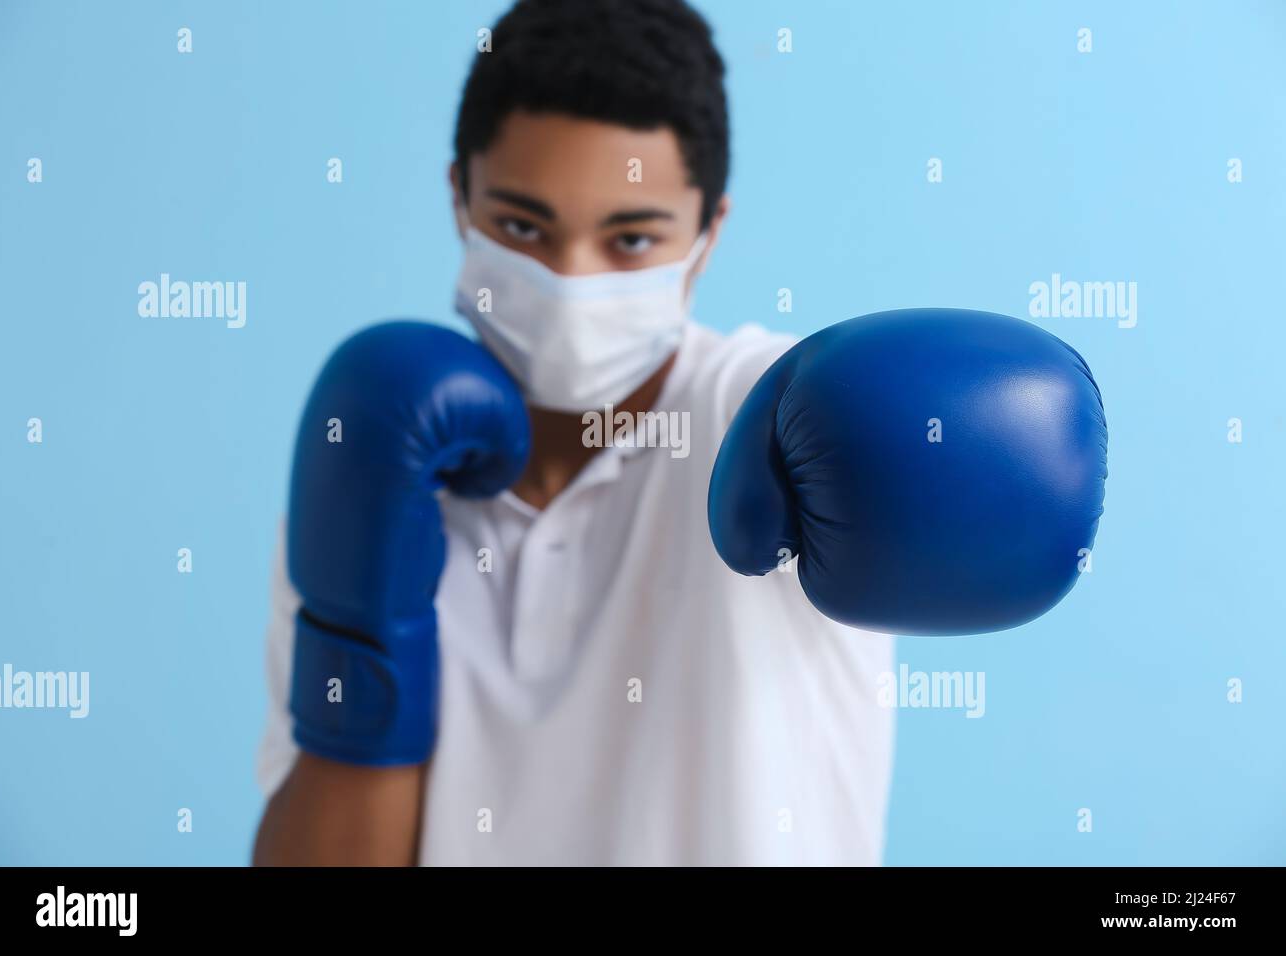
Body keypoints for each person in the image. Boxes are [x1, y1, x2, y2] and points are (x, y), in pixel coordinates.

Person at [252, 0, 1106, 866]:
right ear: (457, 200)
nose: (570, 280)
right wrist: (365, 651)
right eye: (522, 227)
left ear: (707, 236)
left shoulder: (766, 418)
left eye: (630, 239)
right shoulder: (377, 457)